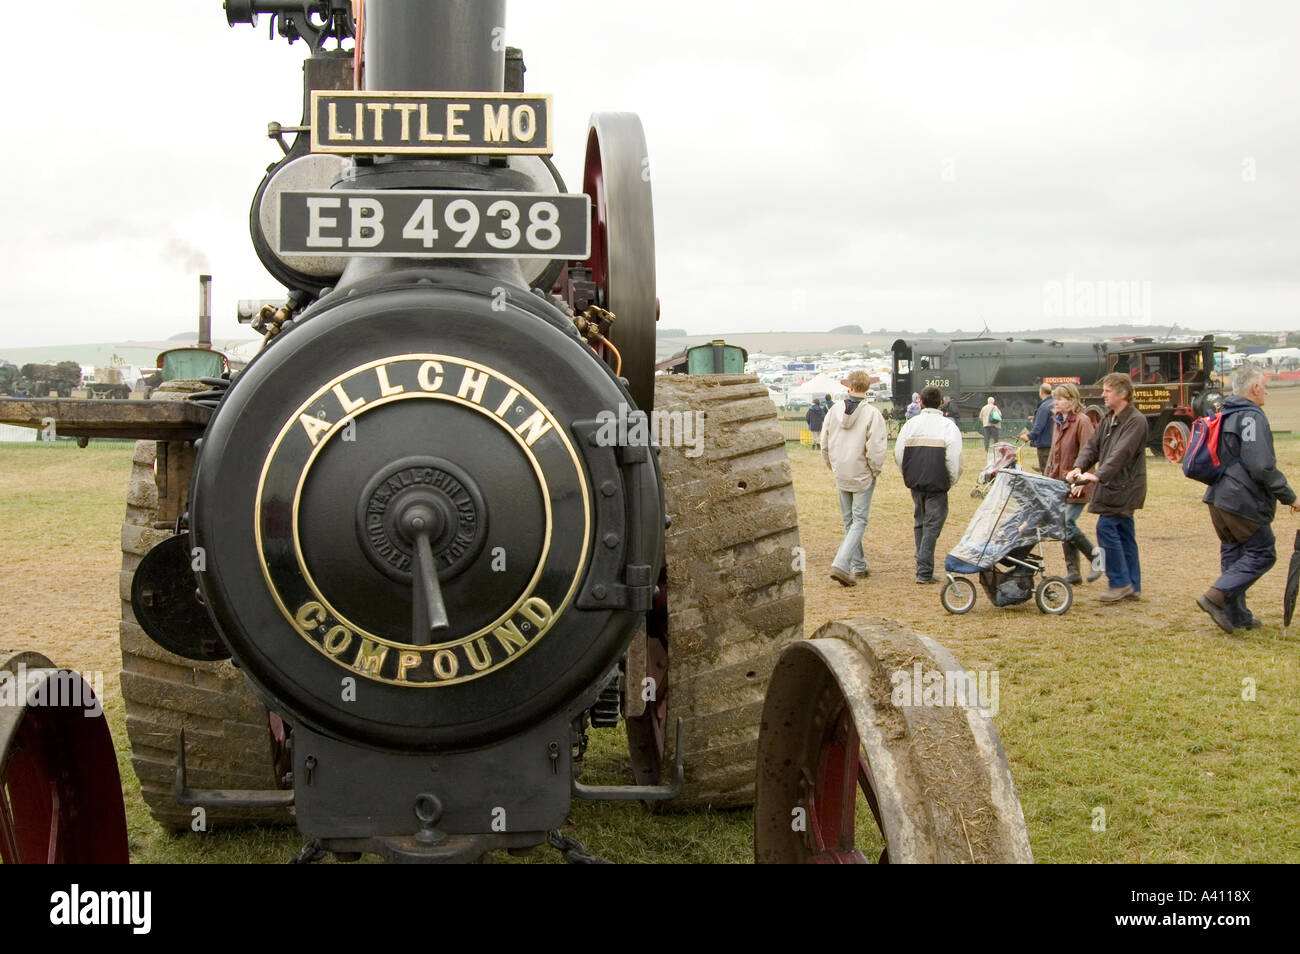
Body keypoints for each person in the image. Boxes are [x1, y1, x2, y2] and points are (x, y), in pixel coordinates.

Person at [1196, 364, 1300, 632]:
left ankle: (1236, 616)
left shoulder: (1224, 414)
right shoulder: (1252, 417)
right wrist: (1289, 496)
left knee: (1234, 553)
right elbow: (1261, 465)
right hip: (1242, 501)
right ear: (1254, 388)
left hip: (1218, 499)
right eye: (1264, 386)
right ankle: (1214, 597)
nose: (1266, 391)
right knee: (1263, 552)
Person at [1066, 373, 1146, 603]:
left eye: (1108, 390)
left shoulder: (1136, 421)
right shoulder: (1109, 419)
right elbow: (1092, 446)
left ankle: (1120, 583)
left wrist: (1098, 475)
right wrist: (1079, 466)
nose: (1103, 394)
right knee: (1124, 532)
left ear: (1122, 393)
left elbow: (1122, 453)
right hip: (1113, 485)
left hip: (1124, 486)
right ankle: (1133, 585)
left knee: (1107, 528)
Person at [822, 370, 887, 587]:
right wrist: (874, 470)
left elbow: (824, 442)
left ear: (849, 386)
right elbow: (876, 449)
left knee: (849, 521)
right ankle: (841, 564)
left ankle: (859, 565)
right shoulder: (872, 414)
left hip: (841, 471)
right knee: (859, 521)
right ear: (867, 388)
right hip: (861, 473)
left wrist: (832, 465)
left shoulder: (833, 411)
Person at [895, 386, 962, 583]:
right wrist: (949, 480)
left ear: (921, 402)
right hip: (937, 483)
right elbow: (953, 459)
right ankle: (924, 570)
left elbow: (899, 454)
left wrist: (908, 474)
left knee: (920, 522)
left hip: (916, 481)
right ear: (941, 402)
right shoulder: (948, 426)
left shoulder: (910, 425)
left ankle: (922, 565)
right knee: (933, 525)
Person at [1044, 382, 1103, 585]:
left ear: (1071, 400)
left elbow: (1089, 452)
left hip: (1077, 483)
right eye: (1055, 398)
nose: (1057, 402)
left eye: (1061, 398)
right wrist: (1047, 478)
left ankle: (1095, 556)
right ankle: (1073, 572)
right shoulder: (1058, 422)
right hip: (1060, 483)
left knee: (1066, 522)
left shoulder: (1082, 421)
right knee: (1063, 524)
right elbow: (1054, 454)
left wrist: (1082, 479)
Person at [1019, 383, 1054, 472]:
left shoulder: (1044, 407)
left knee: (1046, 472)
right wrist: (1036, 418)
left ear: (1041, 392)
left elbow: (1039, 425)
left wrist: (1029, 436)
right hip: (1054, 442)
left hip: (1045, 444)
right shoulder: (1054, 404)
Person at [978, 396, 1002, 461]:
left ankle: (987, 449)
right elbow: (1000, 415)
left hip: (986, 425)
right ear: (993, 401)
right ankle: (995, 449)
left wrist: (985, 420)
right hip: (994, 425)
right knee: (995, 438)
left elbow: (980, 417)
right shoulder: (995, 407)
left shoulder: (984, 408)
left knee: (986, 438)